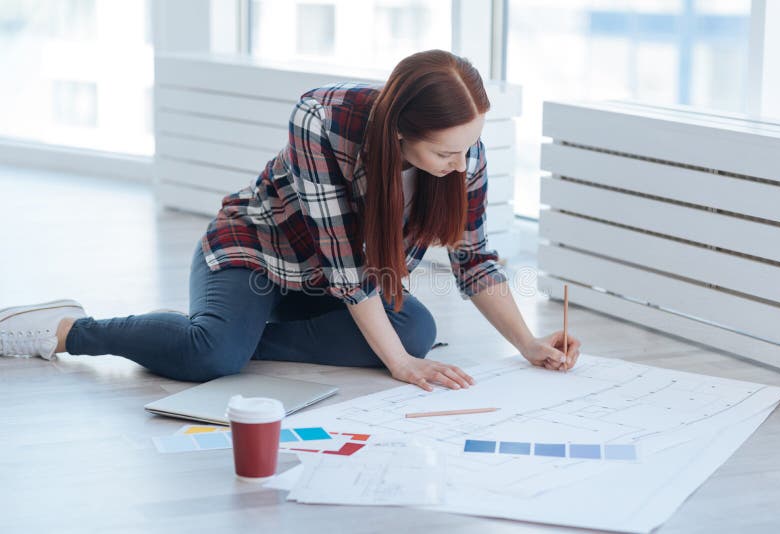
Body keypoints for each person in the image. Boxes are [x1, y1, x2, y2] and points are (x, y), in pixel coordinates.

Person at [0, 50, 580, 391]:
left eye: (468, 151)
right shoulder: (324, 118)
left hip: (327, 288)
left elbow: (474, 262)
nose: (461, 169)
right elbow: (346, 266)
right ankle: (66, 329)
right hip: (255, 256)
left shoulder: (464, 154)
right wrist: (399, 367)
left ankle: (225, 331)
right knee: (213, 357)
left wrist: (528, 343)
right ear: (400, 130)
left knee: (416, 333)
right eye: (446, 155)